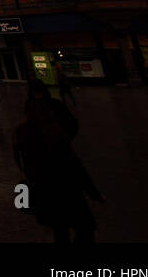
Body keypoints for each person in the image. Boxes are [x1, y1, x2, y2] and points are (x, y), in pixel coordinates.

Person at [14, 80, 102, 243]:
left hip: (45, 192)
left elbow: (20, 161)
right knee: (83, 229)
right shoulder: (55, 135)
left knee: (59, 231)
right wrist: (93, 192)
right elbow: (75, 166)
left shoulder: (23, 134)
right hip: (67, 190)